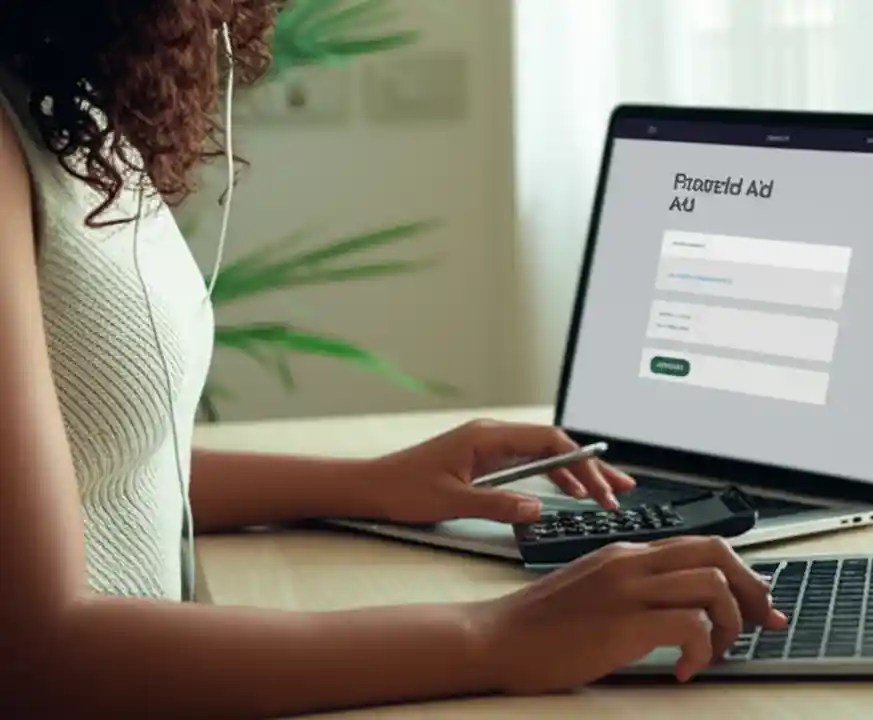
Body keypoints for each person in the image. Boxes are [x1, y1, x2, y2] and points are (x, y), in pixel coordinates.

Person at [0, 3, 786, 716]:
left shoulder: (62, 106)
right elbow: (37, 653)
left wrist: (370, 483)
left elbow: (95, 464)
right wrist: (497, 635)